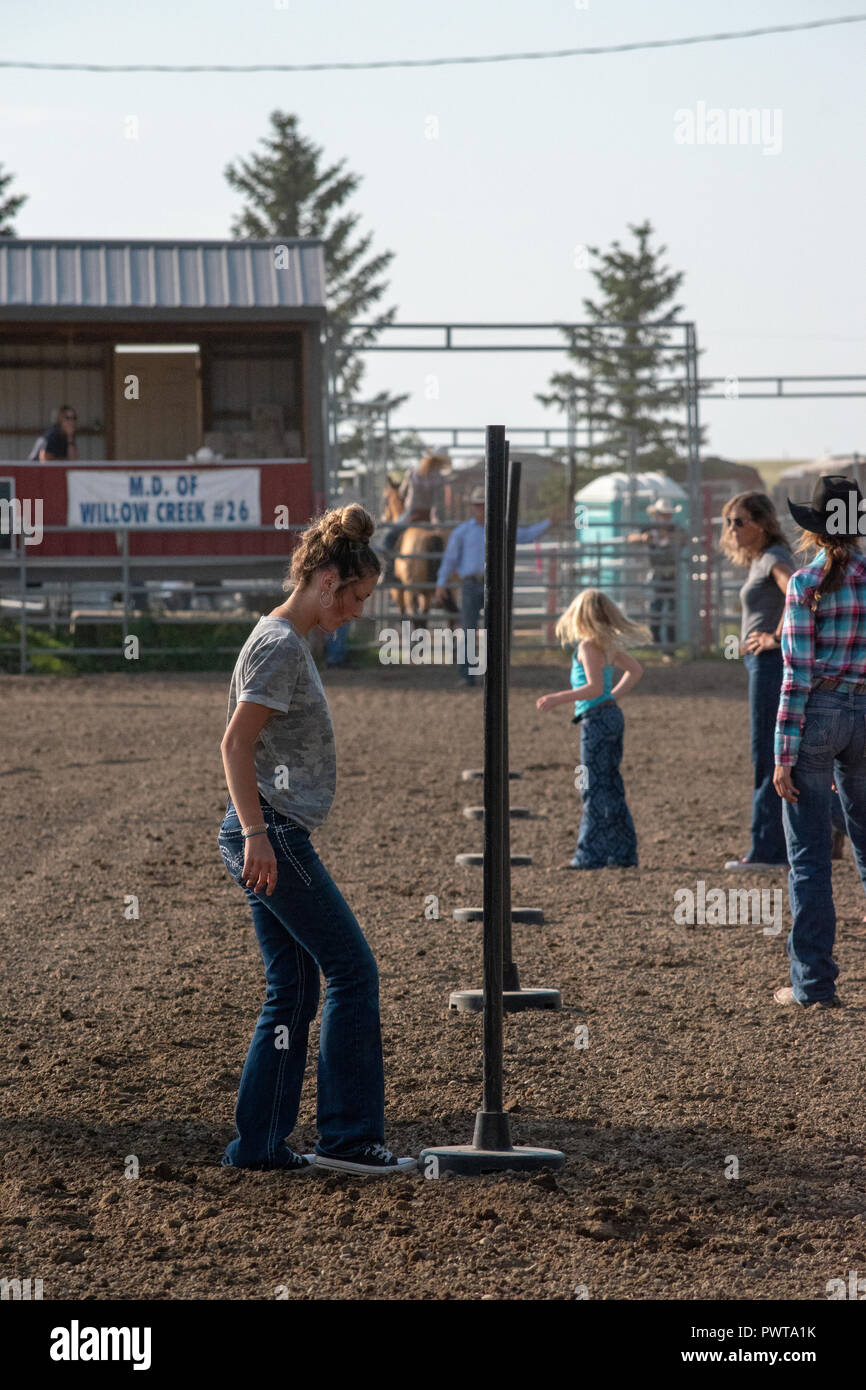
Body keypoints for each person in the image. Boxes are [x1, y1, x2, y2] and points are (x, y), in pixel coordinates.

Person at [217, 503, 416, 1173]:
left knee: (294, 987)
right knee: (354, 971)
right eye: (356, 597)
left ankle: (261, 1146)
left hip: (273, 829)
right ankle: (350, 1138)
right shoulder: (278, 644)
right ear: (328, 579)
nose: (357, 611)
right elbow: (235, 744)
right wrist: (255, 836)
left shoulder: (284, 640)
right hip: (271, 832)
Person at [773, 474, 866, 1009]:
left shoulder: (806, 584)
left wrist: (783, 754)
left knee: (808, 858)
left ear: (814, 528)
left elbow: (796, 675)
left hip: (819, 713)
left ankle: (814, 984)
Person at [721, 490, 847, 872]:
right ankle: (824, 829)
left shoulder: (774, 558)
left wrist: (774, 638)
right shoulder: (762, 558)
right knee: (774, 754)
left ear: (761, 524)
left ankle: (768, 848)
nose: (732, 529)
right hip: (763, 662)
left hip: (772, 662)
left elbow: (797, 592)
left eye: (739, 521)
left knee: (768, 754)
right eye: (729, 521)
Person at [536, 589, 650, 869]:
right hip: (612, 717)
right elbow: (635, 671)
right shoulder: (608, 646)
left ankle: (590, 854)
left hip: (595, 720)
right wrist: (613, 698)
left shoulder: (588, 647)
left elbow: (594, 687)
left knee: (591, 787)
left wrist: (557, 698)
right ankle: (623, 853)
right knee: (611, 785)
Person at [433, 485, 551, 687]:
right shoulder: (463, 532)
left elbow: (526, 535)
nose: (481, 509)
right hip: (471, 583)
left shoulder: (499, 528)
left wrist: (549, 522)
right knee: (469, 629)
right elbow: (450, 559)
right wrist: (441, 583)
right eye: (478, 505)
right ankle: (467, 674)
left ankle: (492, 675)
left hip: (493, 584)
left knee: (493, 630)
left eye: (484, 505)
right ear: (473, 507)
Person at [627, 498, 685, 654]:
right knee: (656, 610)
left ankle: (669, 647)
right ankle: (657, 644)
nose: (666, 518)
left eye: (668, 515)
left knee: (671, 611)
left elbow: (685, 538)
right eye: (663, 515)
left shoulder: (674, 529)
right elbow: (631, 538)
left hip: (671, 574)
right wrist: (643, 538)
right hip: (657, 574)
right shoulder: (649, 528)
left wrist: (669, 536)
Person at [382, 452, 449, 582]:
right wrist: (436, 520)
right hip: (430, 516)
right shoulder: (439, 478)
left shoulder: (412, 473)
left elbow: (402, 492)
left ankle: (389, 572)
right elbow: (438, 502)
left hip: (412, 514)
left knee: (389, 538)